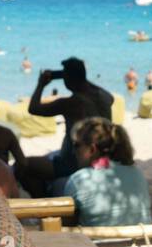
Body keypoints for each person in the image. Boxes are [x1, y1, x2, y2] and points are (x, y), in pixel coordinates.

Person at [17, 57, 115, 196]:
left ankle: (43, 199)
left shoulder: (71, 103)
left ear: (68, 78)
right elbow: (110, 97)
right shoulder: (104, 97)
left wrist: (41, 84)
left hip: (73, 162)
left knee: (24, 165)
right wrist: (83, 79)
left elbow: (34, 108)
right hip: (103, 157)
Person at [64, 118, 152, 226]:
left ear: (92, 149)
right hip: (142, 241)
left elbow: (67, 226)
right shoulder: (137, 173)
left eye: (76, 145)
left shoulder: (80, 179)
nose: (73, 151)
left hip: (96, 243)